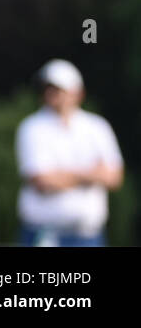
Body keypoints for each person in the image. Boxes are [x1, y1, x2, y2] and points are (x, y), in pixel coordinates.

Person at [16, 59, 123, 246]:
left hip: (88, 235)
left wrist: (62, 176)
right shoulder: (31, 127)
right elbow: (42, 181)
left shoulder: (97, 127)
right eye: (46, 88)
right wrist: (90, 175)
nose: (50, 94)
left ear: (77, 93)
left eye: (58, 89)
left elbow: (114, 177)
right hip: (44, 234)